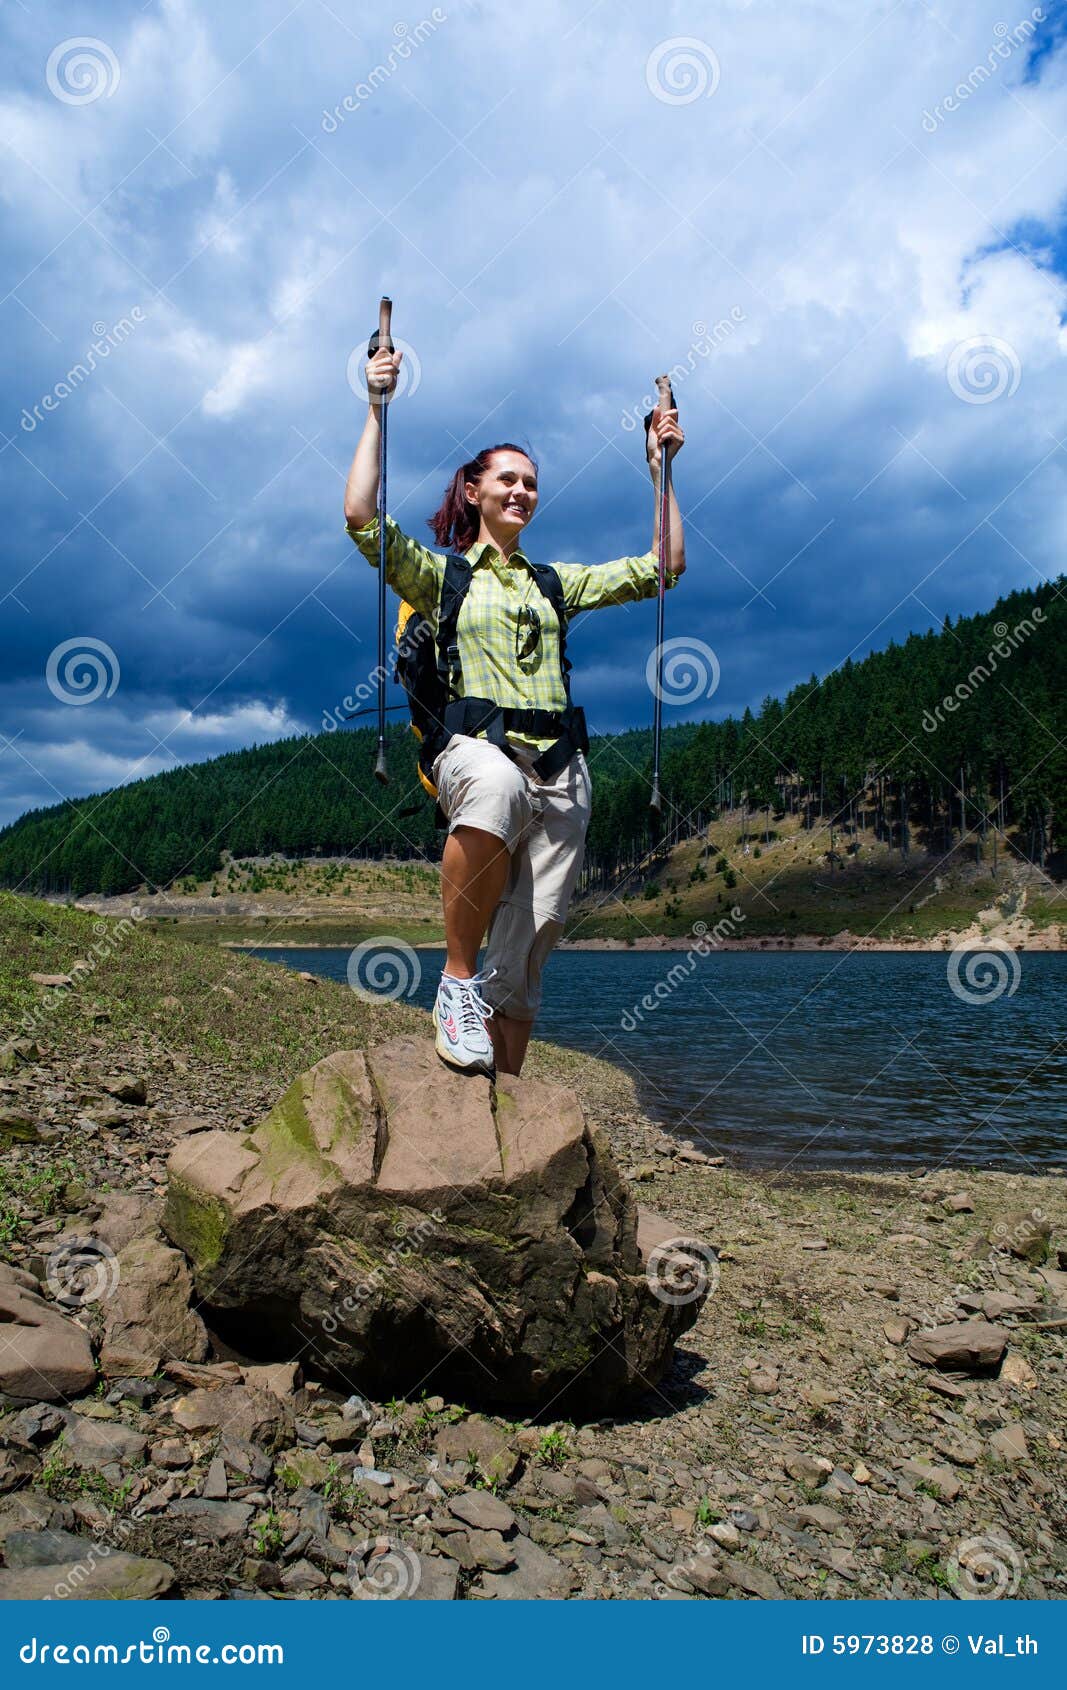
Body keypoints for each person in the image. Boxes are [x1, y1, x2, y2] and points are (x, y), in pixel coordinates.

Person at [343, 342, 685, 1079]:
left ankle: (505, 1100)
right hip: (474, 749)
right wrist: (376, 406)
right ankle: (455, 982)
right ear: (472, 490)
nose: (523, 492)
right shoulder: (443, 575)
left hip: (562, 765)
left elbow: (664, 567)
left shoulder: (555, 583)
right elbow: (362, 517)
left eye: (531, 483)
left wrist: (659, 475)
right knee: (494, 789)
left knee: (536, 934)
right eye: (508, 480)